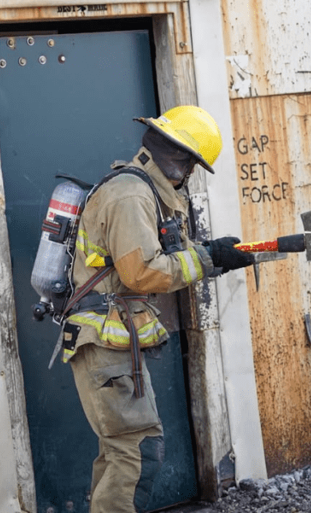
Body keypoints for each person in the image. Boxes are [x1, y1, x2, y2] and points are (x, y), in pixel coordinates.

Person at [58, 105, 253, 513]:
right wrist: (205, 260)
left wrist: (215, 255)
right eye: (193, 165)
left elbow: (155, 257)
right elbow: (142, 272)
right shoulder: (131, 195)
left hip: (112, 344)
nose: (191, 176)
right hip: (106, 345)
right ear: (180, 159)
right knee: (137, 451)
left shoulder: (140, 190)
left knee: (121, 453)